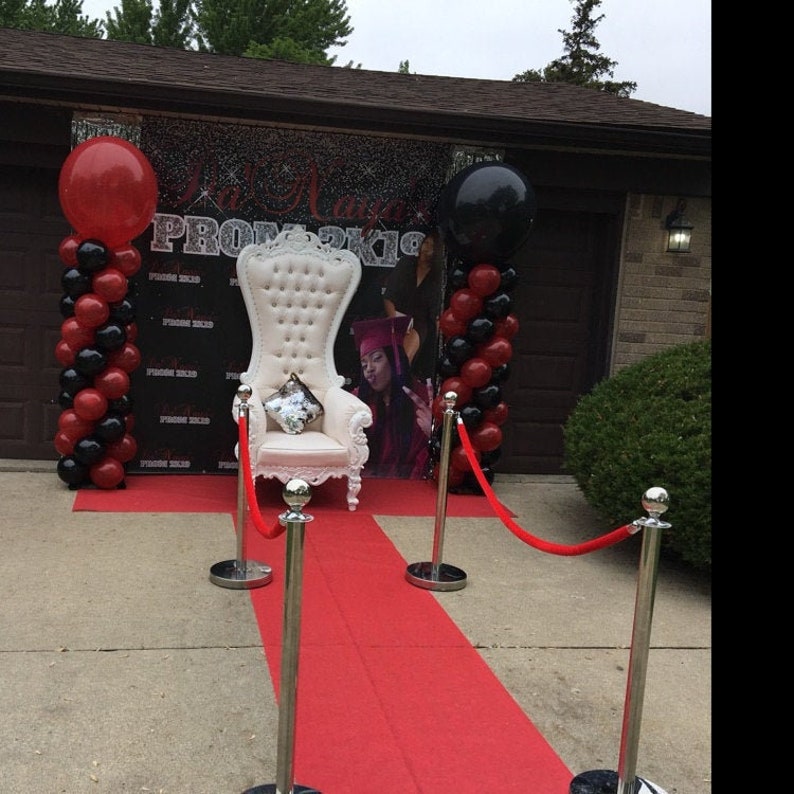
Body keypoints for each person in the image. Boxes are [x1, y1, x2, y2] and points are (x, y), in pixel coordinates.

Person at [351, 315, 434, 479]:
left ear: (396, 360)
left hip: (411, 490)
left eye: (376, 359)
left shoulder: (422, 401)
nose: (369, 369)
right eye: (364, 364)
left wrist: (435, 433)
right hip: (368, 488)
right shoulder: (358, 401)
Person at [382, 229, 444, 380]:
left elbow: (435, 313)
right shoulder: (406, 263)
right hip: (394, 316)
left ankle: (398, 392)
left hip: (418, 323)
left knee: (400, 365)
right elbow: (388, 297)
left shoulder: (438, 276)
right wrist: (395, 322)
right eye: (426, 243)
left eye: (432, 247)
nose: (426, 249)